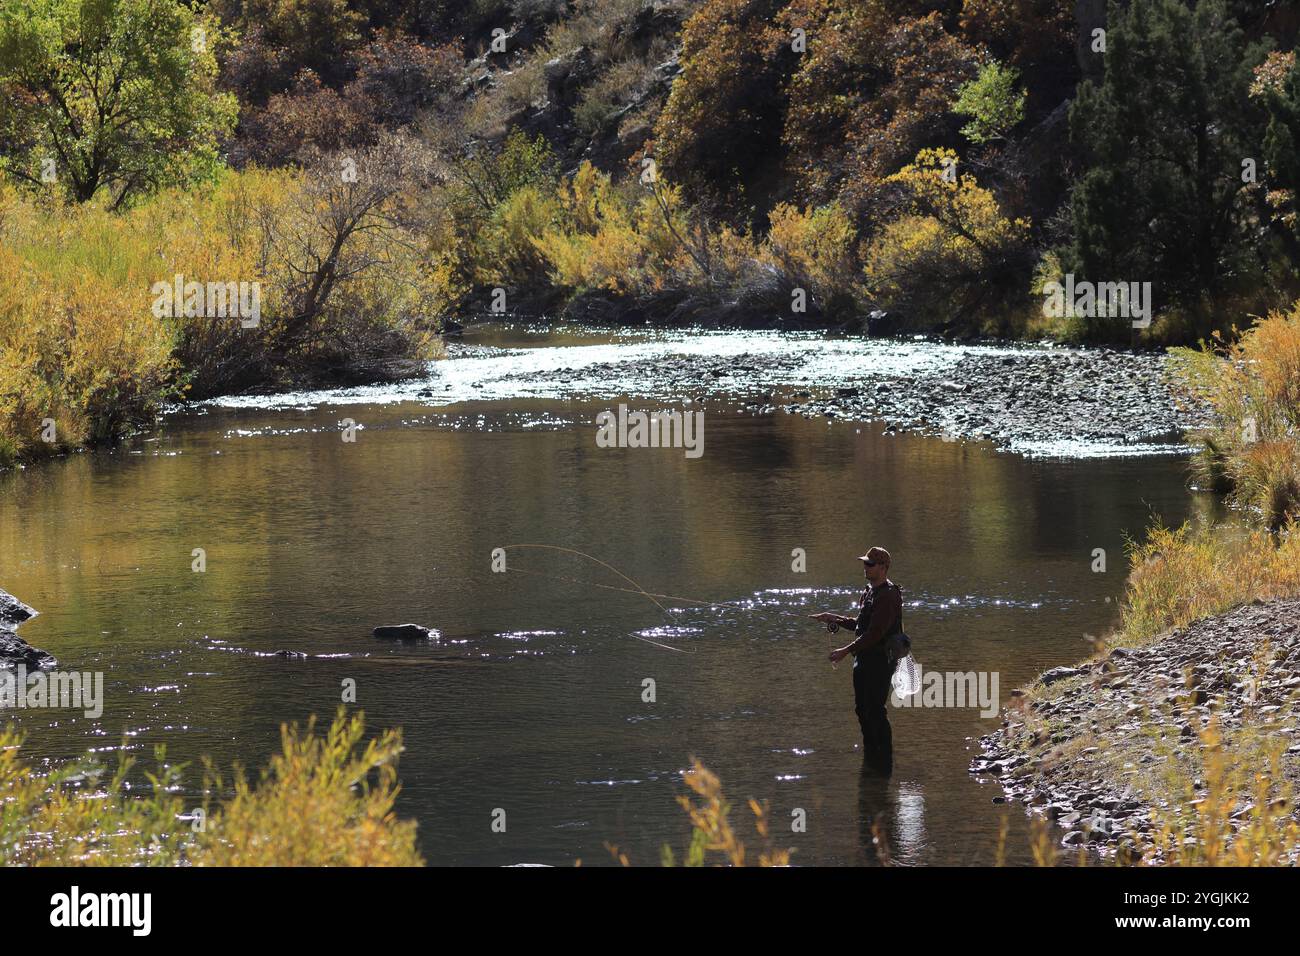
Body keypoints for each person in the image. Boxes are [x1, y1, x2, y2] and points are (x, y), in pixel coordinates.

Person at [810, 546, 903, 773]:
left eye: (869, 564)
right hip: (863, 659)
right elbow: (861, 626)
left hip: (880, 661)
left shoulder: (888, 596)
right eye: (864, 563)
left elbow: (875, 633)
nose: (865, 567)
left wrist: (844, 651)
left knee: (876, 709)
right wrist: (834, 618)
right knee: (862, 709)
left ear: (882, 567)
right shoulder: (869, 592)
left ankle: (884, 758)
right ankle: (871, 753)